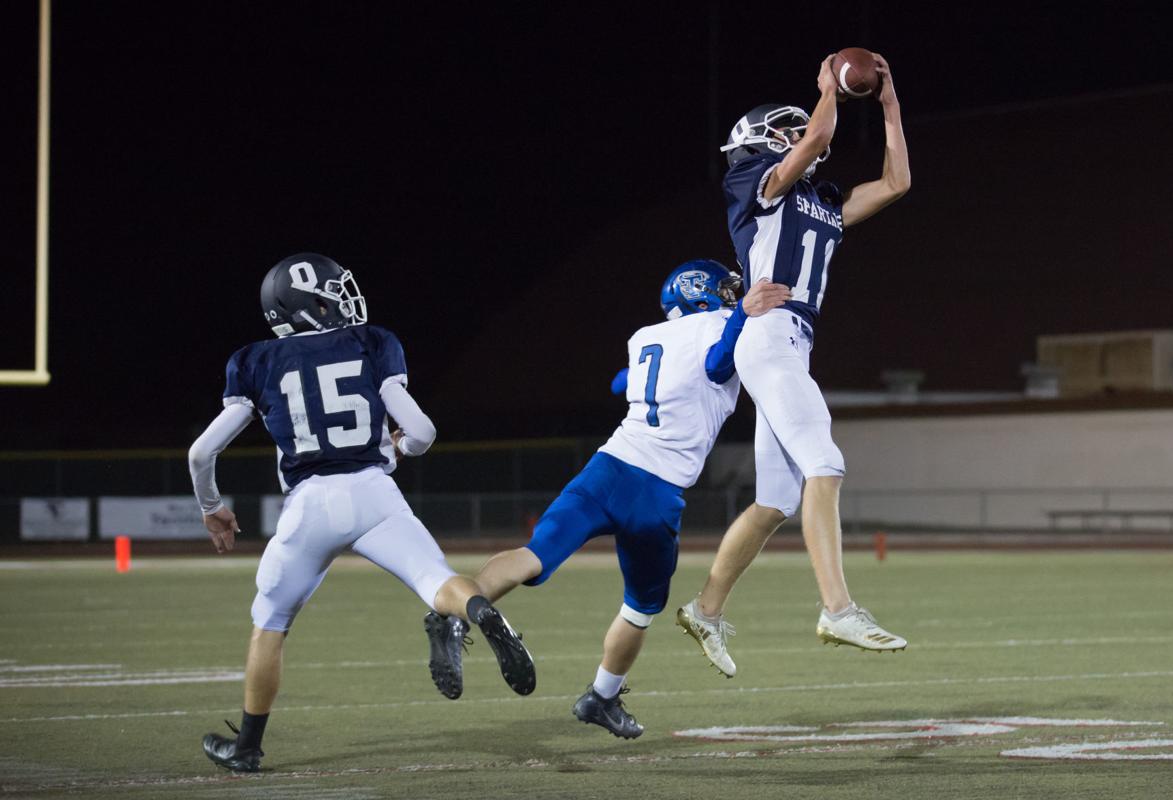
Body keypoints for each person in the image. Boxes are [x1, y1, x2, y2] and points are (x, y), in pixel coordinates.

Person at [187, 252, 535, 773]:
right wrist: (397, 450)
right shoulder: (374, 342)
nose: (344, 300)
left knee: (271, 622)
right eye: (332, 293)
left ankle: (248, 748)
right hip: (375, 492)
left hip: (308, 504)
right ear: (308, 305)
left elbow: (200, 453)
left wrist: (213, 507)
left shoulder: (253, 360)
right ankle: (485, 615)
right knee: (437, 581)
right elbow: (421, 431)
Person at [424, 261, 791, 738]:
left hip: (607, 468)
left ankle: (456, 611)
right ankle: (601, 696)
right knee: (639, 608)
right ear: (703, 294)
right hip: (656, 495)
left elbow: (621, 383)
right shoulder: (723, 324)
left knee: (535, 554)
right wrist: (742, 313)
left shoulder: (644, 338)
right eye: (724, 290)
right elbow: (719, 361)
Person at [676, 53, 911, 678]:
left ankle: (704, 608)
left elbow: (895, 185)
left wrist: (889, 107)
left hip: (790, 341)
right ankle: (837, 608)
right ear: (756, 141)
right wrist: (829, 87)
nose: (795, 134)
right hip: (770, 335)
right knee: (825, 463)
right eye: (783, 130)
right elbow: (818, 137)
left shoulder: (820, 200)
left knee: (776, 499)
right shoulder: (753, 183)